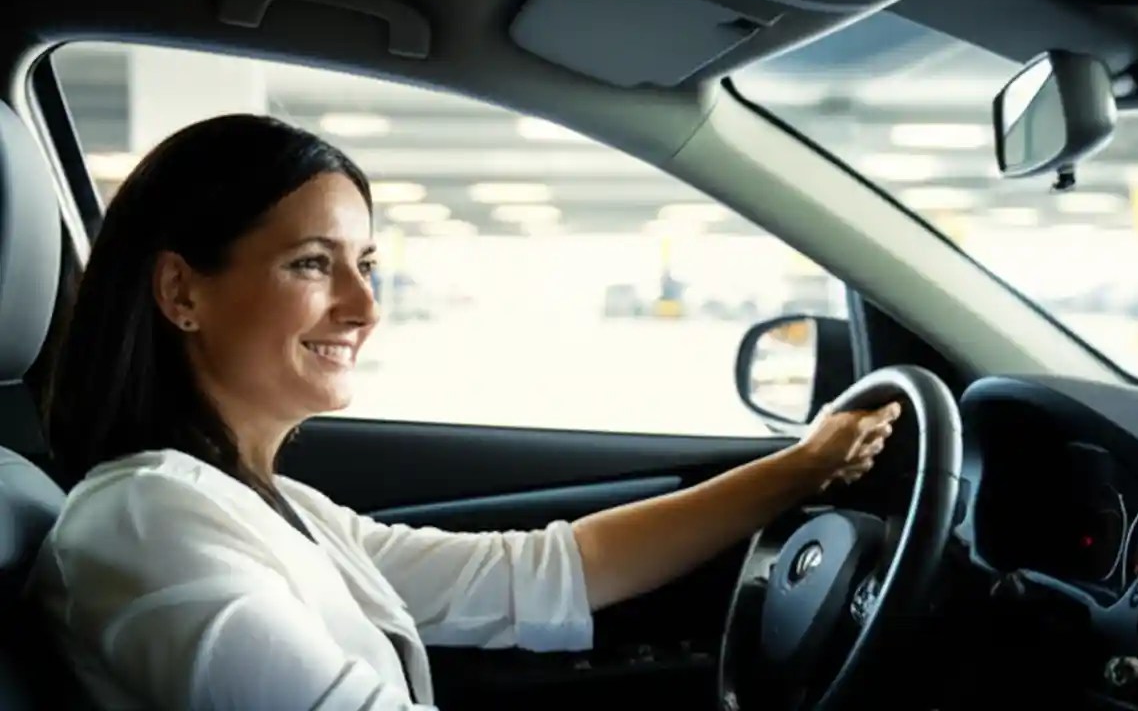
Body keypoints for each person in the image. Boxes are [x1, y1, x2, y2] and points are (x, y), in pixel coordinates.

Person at [28, 114, 901, 710]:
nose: (364, 307)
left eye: (366, 263)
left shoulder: (260, 506)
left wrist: (802, 466)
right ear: (182, 291)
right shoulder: (148, 520)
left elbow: (554, 569)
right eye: (310, 264)